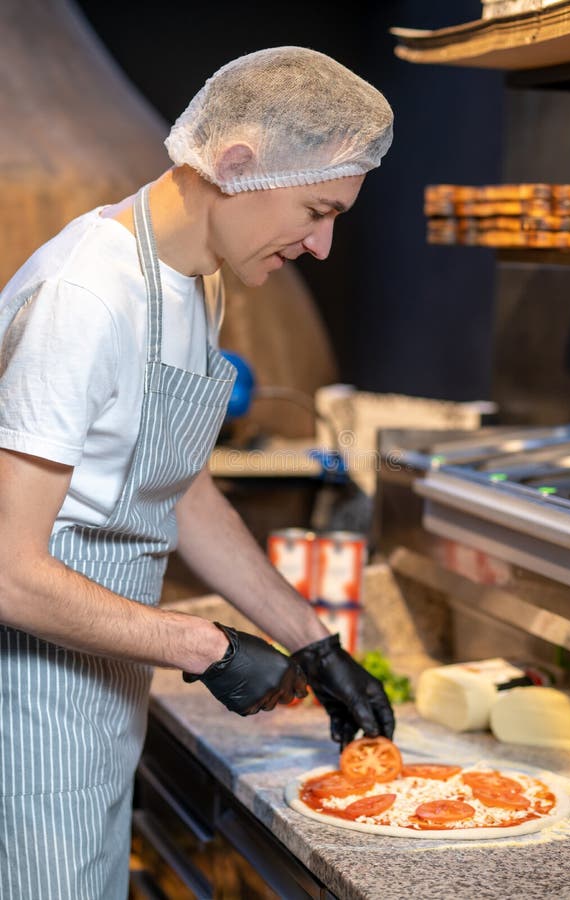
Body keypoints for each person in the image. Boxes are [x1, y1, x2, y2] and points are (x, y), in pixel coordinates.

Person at [0, 46, 395, 899]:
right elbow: (8, 573)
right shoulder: (88, 295)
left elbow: (175, 482)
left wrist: (313, 641)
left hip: (98, 675)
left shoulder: (194, 280)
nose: (323, 247)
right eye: (316, 210)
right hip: (23, 683)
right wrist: (203, 644)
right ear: (237, 164)